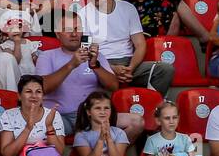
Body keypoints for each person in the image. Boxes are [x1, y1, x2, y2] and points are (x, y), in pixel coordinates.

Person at [36, 10, 142, 138]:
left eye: (77, 28)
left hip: (90, 116)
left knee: (137, 122)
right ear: (58, 34)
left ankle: (107, 152)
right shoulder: (47, 56)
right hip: (58, 116)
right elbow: (43, 88)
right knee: (37, 130)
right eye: (68, 29)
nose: (74, 34)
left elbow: (114, 86)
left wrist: (95, 65)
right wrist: (71, 65)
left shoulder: (96, 56)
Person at [79, 0, 173, 96]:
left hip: (129, 63)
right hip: (100, 63)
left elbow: (140, 44)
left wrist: (130, 68)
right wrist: (111, 68)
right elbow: (86, 51)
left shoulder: (128, 9)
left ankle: (151, 105)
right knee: (89, 74)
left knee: (165, 70)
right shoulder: (82, 14)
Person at [0, 8, 40, 93]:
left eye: (19, 27)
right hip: (17, 77)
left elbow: (35, 59)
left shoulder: (29, 43)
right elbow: (15, 60)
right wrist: (17, 44)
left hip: (31, 74)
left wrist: (36, 58)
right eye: (11, 28)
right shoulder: (6, 46)